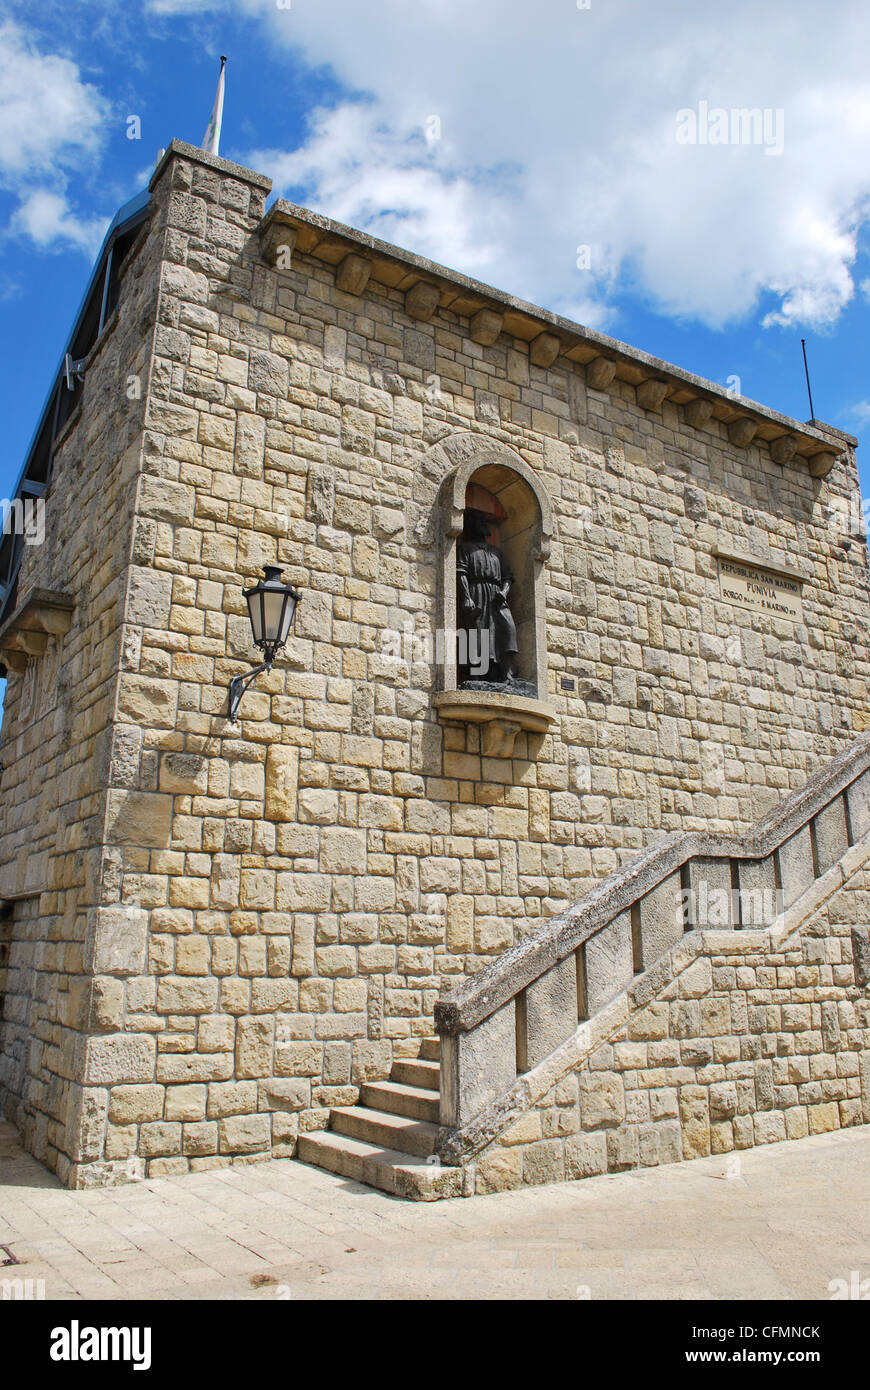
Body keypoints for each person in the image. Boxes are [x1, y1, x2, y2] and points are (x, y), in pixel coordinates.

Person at [456, 509, 519, 684]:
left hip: (497, 597)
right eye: (478, 522)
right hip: (476, 593)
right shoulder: (465, 549)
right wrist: (467, 597)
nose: (482, 525)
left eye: (483, 521)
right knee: (477, 633)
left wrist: (504, 592)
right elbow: (461, 573)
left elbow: (508, 577)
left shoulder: (496, 552)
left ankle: (505, 673)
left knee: (507, 630)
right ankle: (477, 675)